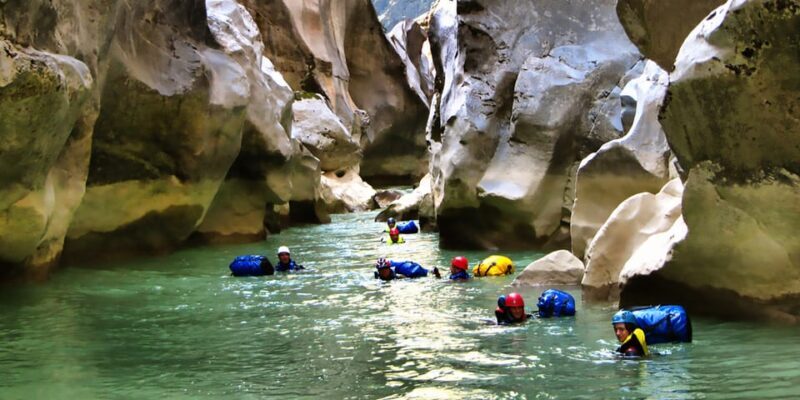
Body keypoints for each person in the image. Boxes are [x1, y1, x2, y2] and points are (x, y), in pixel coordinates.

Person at [374, 258, 440, 281]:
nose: (383, 272)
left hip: (409, 270)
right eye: (381, 270)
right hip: (404, 268)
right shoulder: (378, 276)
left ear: (388, 268)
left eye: (385, 269)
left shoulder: (395, 275)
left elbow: (404, 277)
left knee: (415, 275)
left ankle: (432, 271)